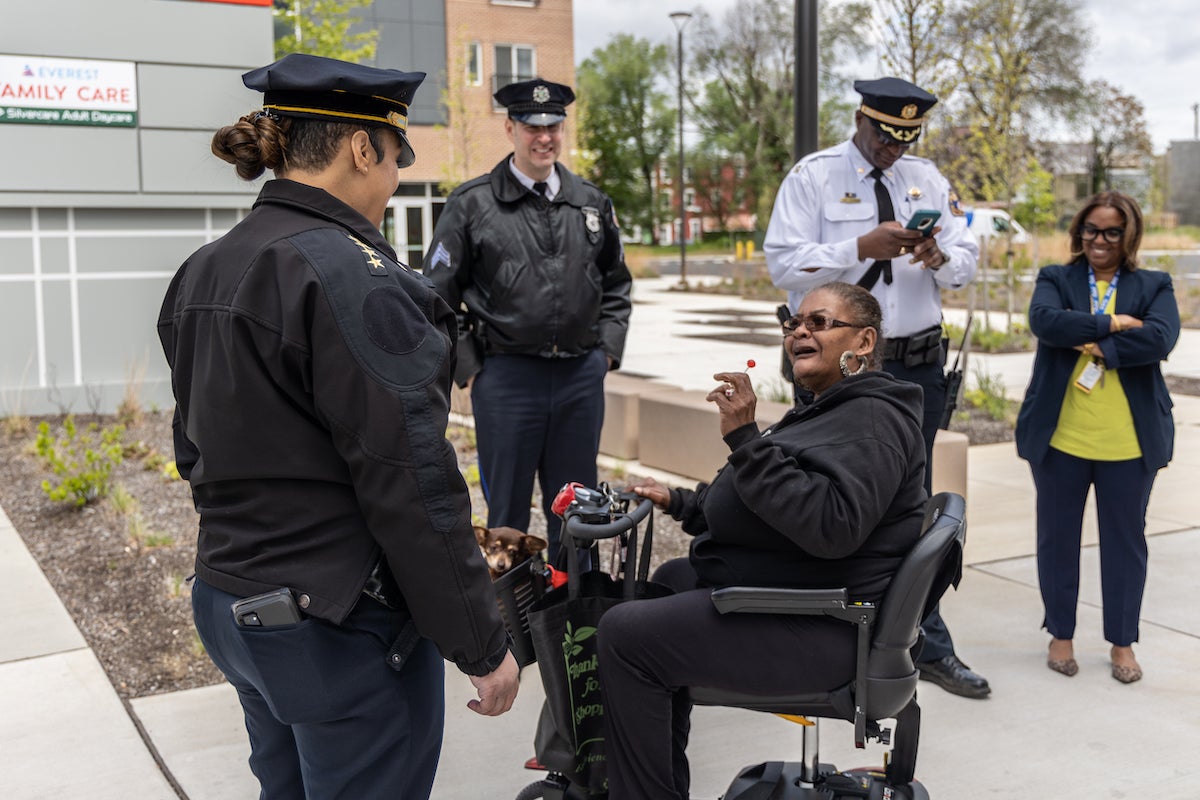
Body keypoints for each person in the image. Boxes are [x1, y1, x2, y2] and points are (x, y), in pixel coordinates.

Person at [156, 53, 519, 799]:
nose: (394, 179)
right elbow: (412, 480)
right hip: (338, 627)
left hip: (235, 605)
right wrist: (481, 644)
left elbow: (191, 448)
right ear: (361, 148)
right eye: (396, 157)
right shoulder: (355, 276)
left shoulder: (205, 268)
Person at [597, 282, 927, 799]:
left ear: (863, 342)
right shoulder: (836, 407)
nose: (799, 331)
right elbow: (773, 499)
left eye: (819, 322)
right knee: (670, 579)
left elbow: (831, 525)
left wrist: (746, 441)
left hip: (832, 628)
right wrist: (683, 502)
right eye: (793, 323)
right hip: (813, 600)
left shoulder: (871, 421)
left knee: (624, 634)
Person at [763, 76, 990, 700]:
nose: (895, 150)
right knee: (828, 498)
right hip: (839, 367)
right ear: (861, 121)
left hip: (914, 364)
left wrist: (940, 254)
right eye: (886, 138)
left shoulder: (927, 179)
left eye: (905, 139)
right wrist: (858, 245)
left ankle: (924, 643)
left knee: (912, 503)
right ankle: (819, 637)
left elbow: (969, 264)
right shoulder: (813, 177)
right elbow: (782, 263)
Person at [425, 78, 632, 560]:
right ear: (510, 128)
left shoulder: (590, 202)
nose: (545, 137)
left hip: (581, 377)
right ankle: (510, 624)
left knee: (579, 512)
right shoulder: (471, 204)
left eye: (554, 126)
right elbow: (436, 296)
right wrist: (472, 368)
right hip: (507, 379)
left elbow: (617, 284)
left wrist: (606, 353)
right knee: (507, 520)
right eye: (532, 126)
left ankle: (575, 619)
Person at [1015, 191, 1179, 684]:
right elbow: (1044, 322)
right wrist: (1114, 323)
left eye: (1111, 231)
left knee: (1125, 545)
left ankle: (1122, 642)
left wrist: (1093, 342)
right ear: (1078, 232)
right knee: (1057, 539)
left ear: (1128, 235)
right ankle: (1060, 633)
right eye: (1091, 230)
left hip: (1128, 443)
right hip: (1060, 438)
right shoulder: (1056, 278)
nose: (1099, 240)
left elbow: (1161, 337)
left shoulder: (1153, 283)